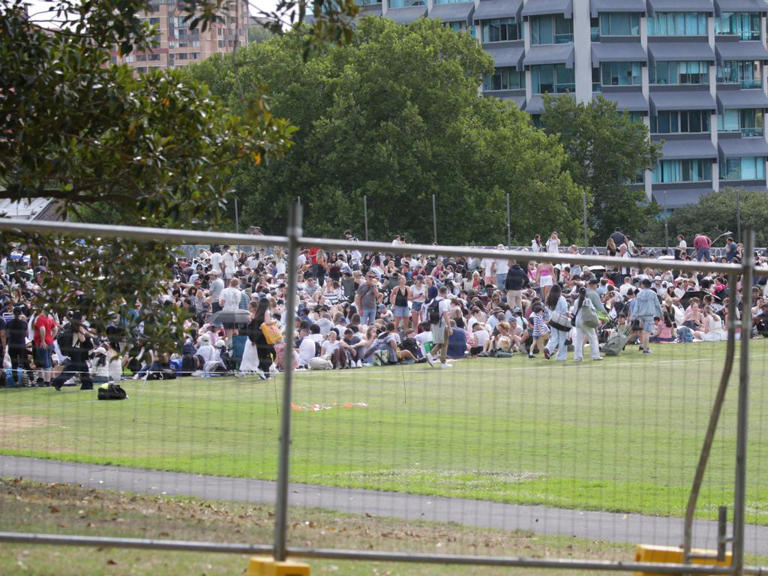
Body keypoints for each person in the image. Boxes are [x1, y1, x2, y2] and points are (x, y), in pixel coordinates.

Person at [52, 311, 94, 391]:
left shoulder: (73, 325)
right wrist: (87, 336)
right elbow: (82, 339)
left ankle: (87, 385)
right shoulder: (78, 326)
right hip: (77, 351)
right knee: (72, 368)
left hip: (75, 350)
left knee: (84, 368)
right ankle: (57, 382)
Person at [630, 278, 662, 354]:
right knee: (646, 333)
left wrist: (633, 316)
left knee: (642, 332)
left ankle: (643, 346)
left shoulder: (639, 294)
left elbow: (636, 306)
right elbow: (657, 305)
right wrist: (661, 314)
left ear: (643, 285)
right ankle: (645, 349)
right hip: (649, 315)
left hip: (640, 316)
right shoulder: (653, 293)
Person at [571, 287, 602, 362]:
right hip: (586, 321)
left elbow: (574, 312)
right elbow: (593, 310)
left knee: (578, 340)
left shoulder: (576, 301)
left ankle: (578, 357)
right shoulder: (588, 301)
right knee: (593, 337)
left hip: (578, 322)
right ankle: (596, 355)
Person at [426, 285, 452, 368]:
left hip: (434, 324)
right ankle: (442, 363)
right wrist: (450, 327)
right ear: (445, 293)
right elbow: (445, 316)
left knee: (441, 342)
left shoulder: (433, 300)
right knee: (444, 343)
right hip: (442, 325)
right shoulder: (443, 302)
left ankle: (431, 355)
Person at [33, 306, 57, 387]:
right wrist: (51, 337)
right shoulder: (49, 319)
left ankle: (47, 382)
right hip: (49, 342)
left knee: (45, 363)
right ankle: (48, 381)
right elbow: (55, 329)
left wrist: (43, 340)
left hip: (42, 343)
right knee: (49, 362)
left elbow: (42, 328)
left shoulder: (40, 318)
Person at [544, 284, 569, 361]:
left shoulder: (549, 299)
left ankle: (548, 348)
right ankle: (561, 357)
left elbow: (548, 310)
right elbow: (565, 311)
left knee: (555, 337)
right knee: (562, 339)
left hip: (552, 320)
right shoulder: (562, 299)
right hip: (561, 320)